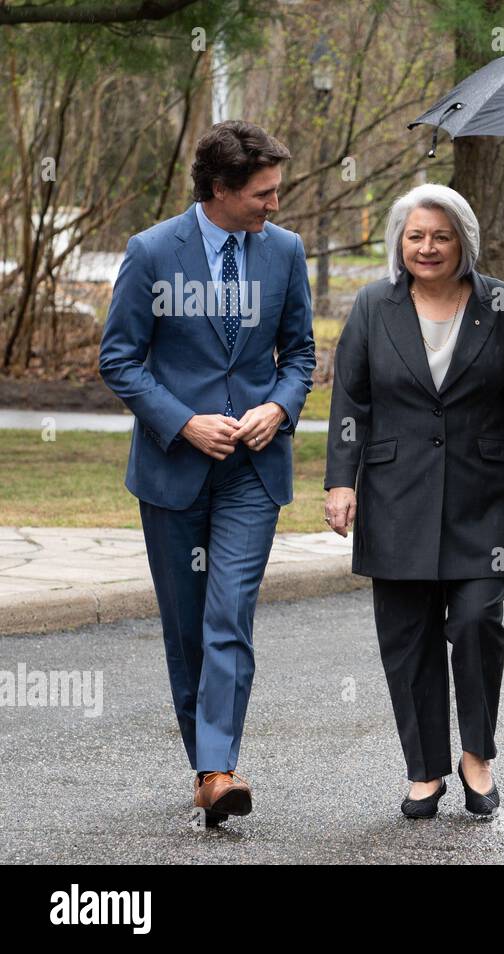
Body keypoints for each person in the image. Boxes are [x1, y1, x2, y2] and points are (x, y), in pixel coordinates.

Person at [99, 120, 315, 823]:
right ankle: (208, 767)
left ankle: (219, 768)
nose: (274, 205)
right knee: (188, 626)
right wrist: (183, 421)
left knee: (230, 614)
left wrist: (277, 411)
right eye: (263, 193)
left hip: (253, 473)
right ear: (220, 189)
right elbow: (120, 359)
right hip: (173, 471)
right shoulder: (152, 252)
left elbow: (302, 356)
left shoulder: (284, 253)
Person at [324, 183, 504, 820]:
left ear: (464, 243)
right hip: (394, 495)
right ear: (401, 243)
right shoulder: (373, 306)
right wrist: (340, 482)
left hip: (484, 496)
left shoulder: (501, 304)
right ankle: (424, 769)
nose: (427, 248)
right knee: (408, 637)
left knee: (479, 621)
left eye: (441, 236)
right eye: (415, 236)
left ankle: (477, 755)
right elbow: (352, 403)